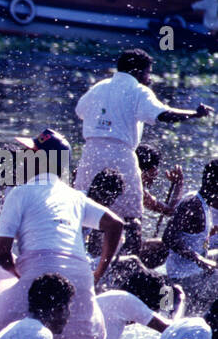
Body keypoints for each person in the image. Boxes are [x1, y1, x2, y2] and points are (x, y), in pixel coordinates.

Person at [0, 128, 124, 339]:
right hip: (79, 279)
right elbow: (115, 224)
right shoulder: (75, 196)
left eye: (28, 153)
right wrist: (98, 274)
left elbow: (1, 253)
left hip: (38, 277)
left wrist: (20, 274)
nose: (22, 156)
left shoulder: (20, 192)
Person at [74, 49, 211, 240]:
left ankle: (85, 251)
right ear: (138, 73)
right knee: (130, 218)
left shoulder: (99, 87)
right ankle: (129, 262)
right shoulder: (138, 91)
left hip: (90, 155)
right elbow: (164, 115)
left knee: (83, 210)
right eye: (148, 73)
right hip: (120, 156)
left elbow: (80, 111)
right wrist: (195, 114)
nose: (150, 78)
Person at [163, 158, 218, 308]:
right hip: (183, 279)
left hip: (189, 273)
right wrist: (199, 259)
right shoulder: (193, 204)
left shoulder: (201, 201)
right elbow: (167, 237)